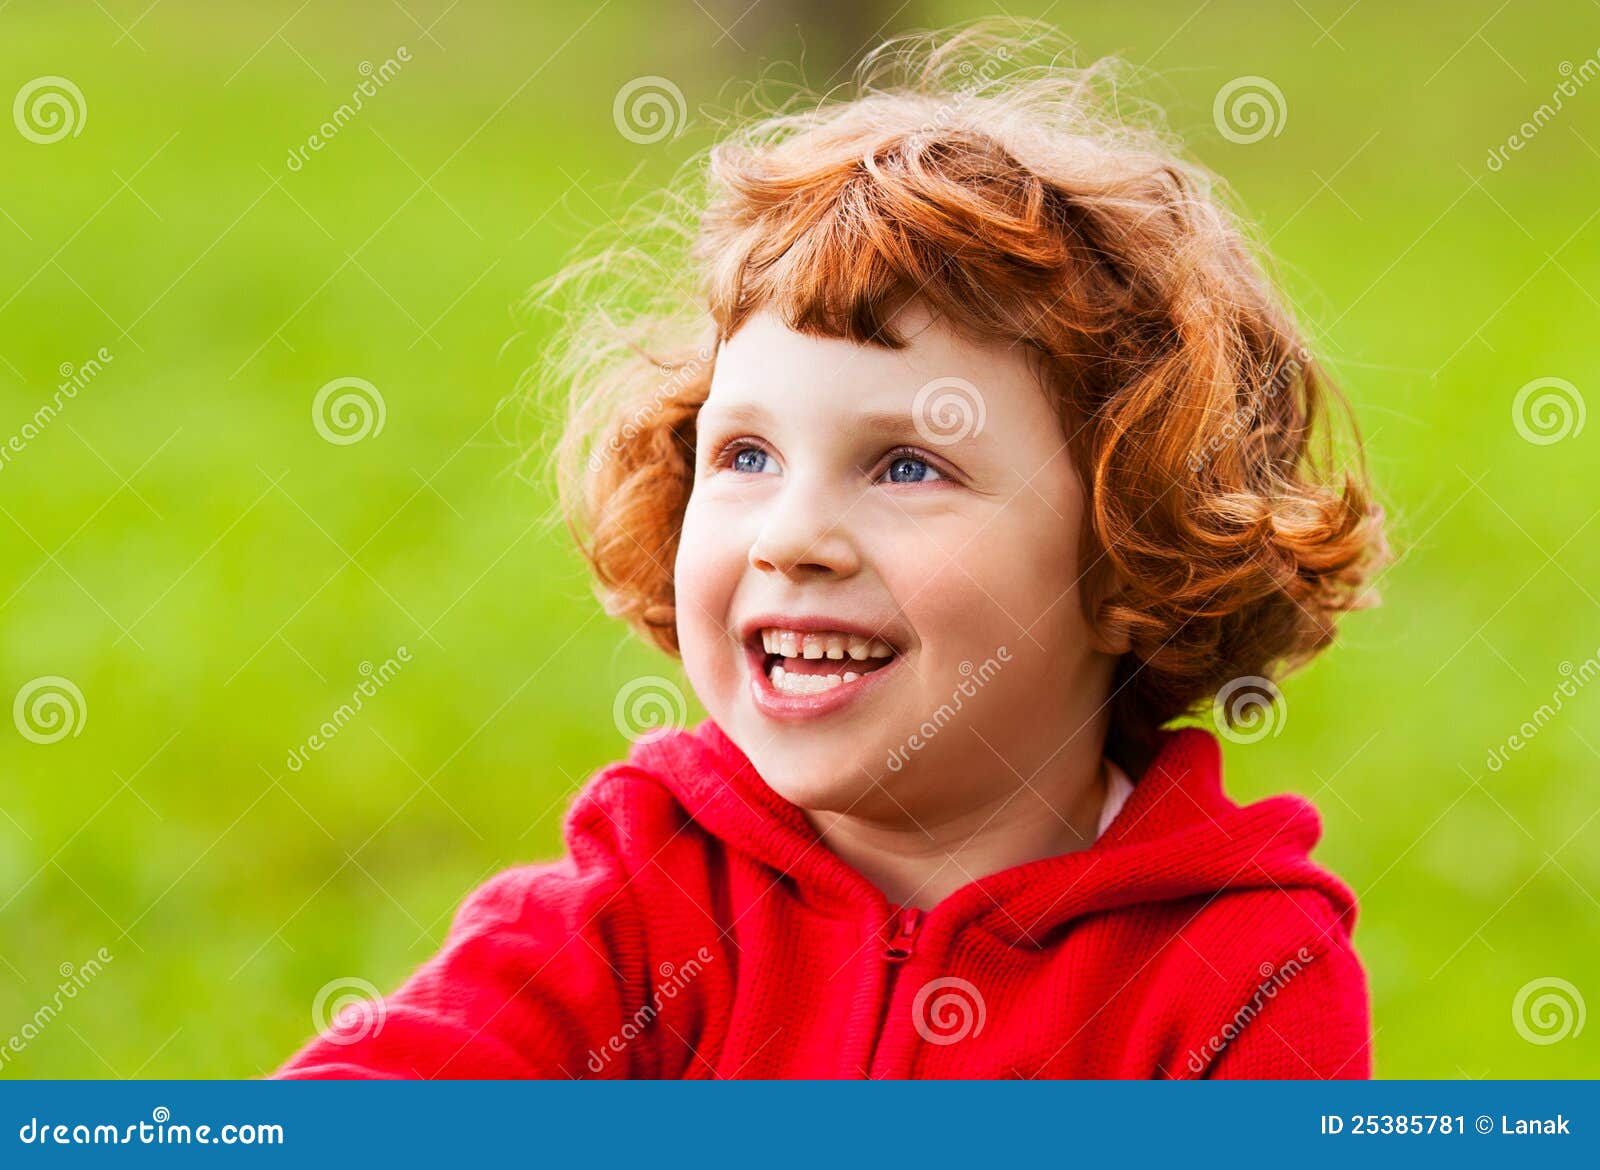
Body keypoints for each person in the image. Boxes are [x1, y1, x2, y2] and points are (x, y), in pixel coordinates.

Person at [276, 22, 1388, 1080]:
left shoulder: (1241, 975)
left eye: (907, 466)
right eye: (747, 455)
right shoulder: (637, 900)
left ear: (1130, 555)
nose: (794, 537)